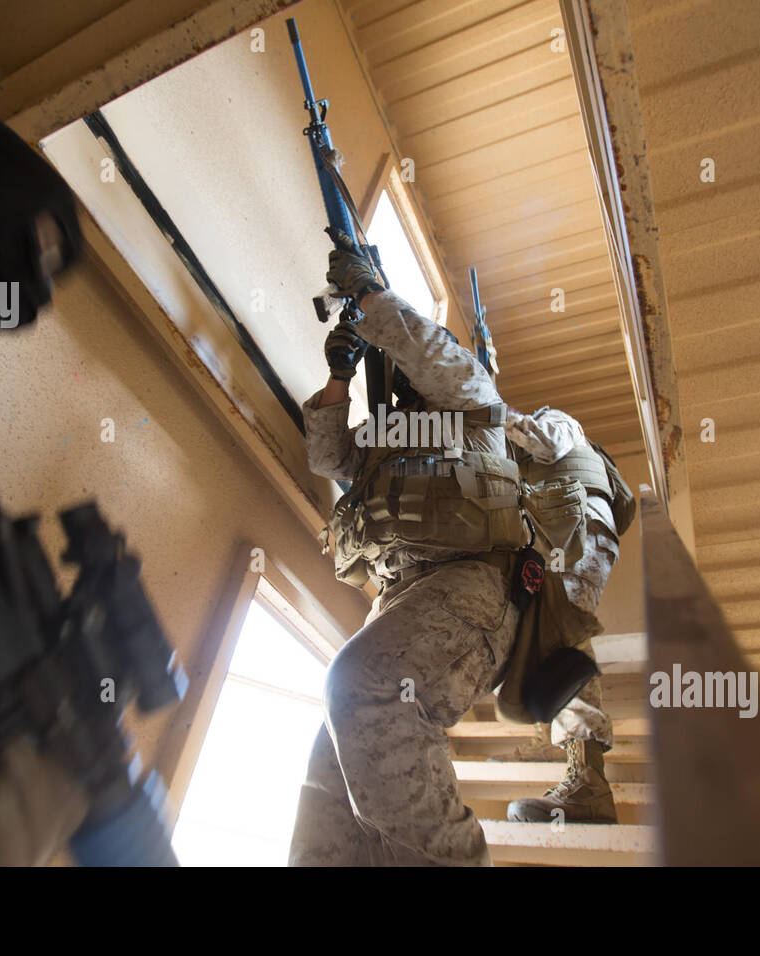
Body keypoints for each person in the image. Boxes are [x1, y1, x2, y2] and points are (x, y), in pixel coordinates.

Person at [289, 235, 527, 866]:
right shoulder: (390, 437)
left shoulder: (476, 402)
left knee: (361, 687)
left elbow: (430, 353)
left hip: (470, 585)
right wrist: (339, 377)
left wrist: (368, 293)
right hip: (400, 593)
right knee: (330, 771)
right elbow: (328, 458)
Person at [502, 405, 629, 825]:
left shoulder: (560, 420)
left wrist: (491, 413)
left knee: (559, 638)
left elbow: (551, 440)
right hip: (566, 537)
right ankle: (583, 776)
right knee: (551, 637)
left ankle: (588, 789)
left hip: (578, 534)